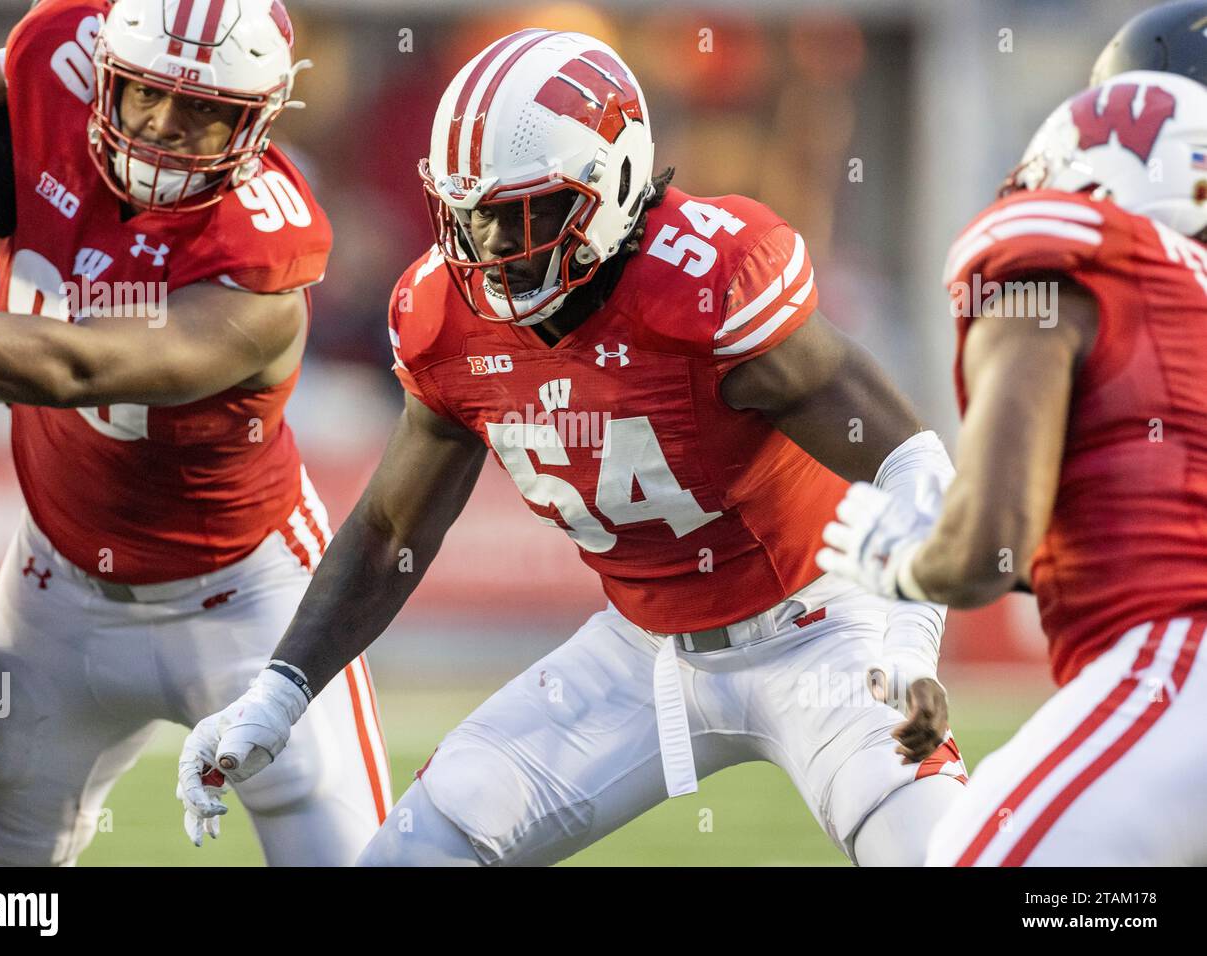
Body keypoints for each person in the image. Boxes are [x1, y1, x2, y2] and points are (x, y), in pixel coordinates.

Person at [180, 29, 966, 867]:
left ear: (613, 183)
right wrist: (277, 693)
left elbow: (912, 460)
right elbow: (389, 531)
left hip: (823, 631)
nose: (490, 249)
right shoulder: (445, 317)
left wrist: (905, 643)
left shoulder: (709, 283)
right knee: (413, 853)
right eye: (469, 214)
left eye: (523, 214)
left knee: (937, 856)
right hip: (638, 650)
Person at [0, 0, 389, 865]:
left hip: (248, 597)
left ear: (257, 119)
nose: (166, 128)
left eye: (204, 109)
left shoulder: (260, 261)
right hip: (55, 589)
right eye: (145, 97)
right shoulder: (57, 66)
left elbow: (76, 368)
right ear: (104, 78)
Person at [817, 69, 1207, 865]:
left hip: (1179, 664)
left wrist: (906, 562)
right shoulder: (1181, 309)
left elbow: (984, 551)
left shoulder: (1057, 267)